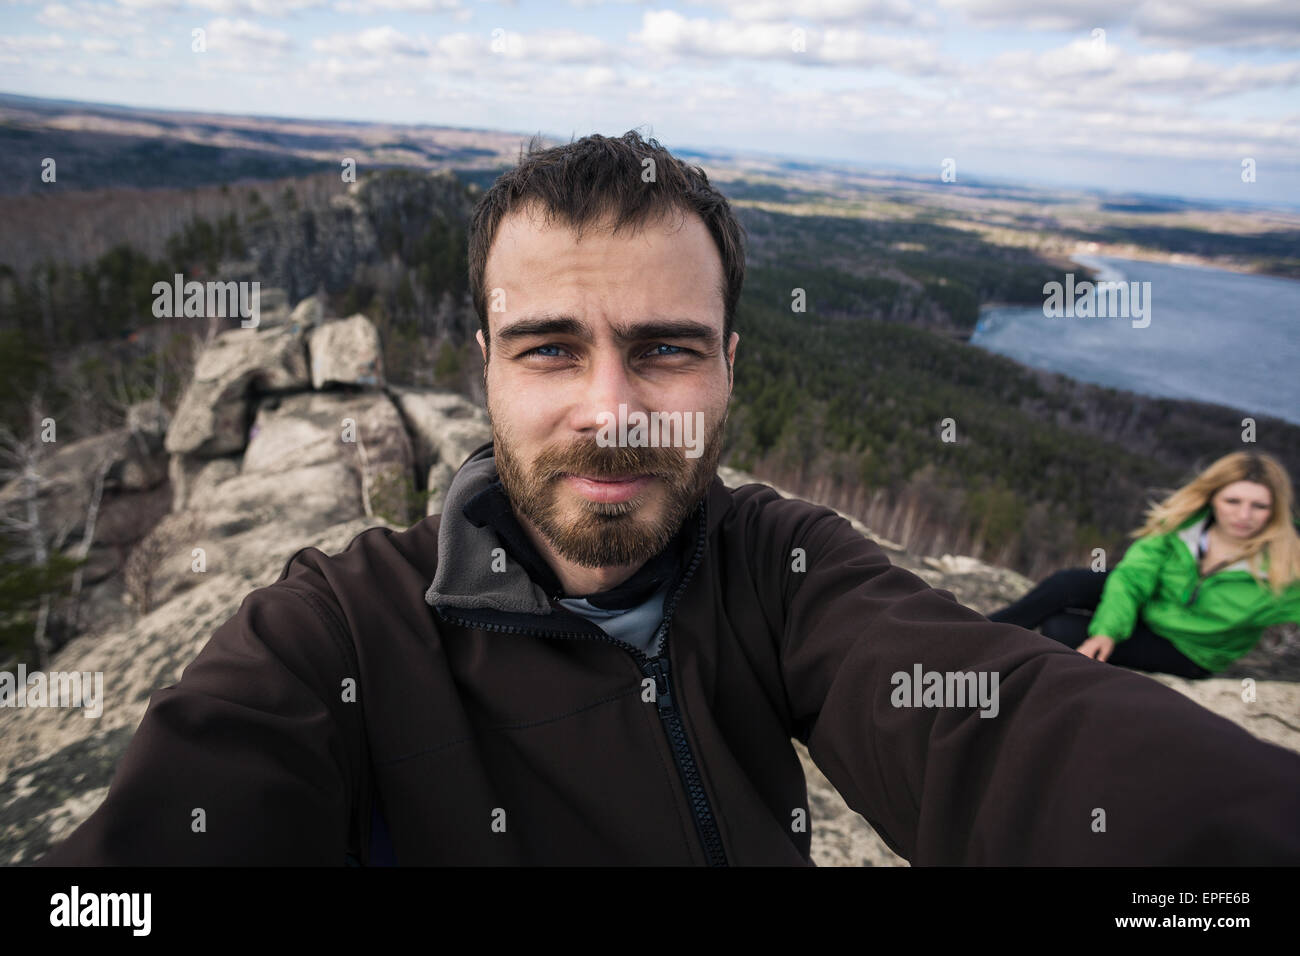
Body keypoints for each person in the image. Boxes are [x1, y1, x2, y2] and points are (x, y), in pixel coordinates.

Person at [38, 132, 1300, 867]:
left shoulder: (778, 567)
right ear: (480, 362)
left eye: (663, 347)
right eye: (547, 348)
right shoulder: (342, 631)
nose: (612, 407)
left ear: (730, 364)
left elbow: (1004, 722)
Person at [989, 452, 1300, 679]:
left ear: (1276, 512)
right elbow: (1133, 578)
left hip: (1189, 649)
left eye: (1259, 506)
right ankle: (984, 637)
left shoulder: (1289, 565)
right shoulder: (1180, 528)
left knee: (1061, 629)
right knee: (1066, 584)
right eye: (1233, 501)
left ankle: (1017, 687)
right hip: (1152, 607)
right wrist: (1107, 631)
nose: (1244, 516)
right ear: (1211, 498)